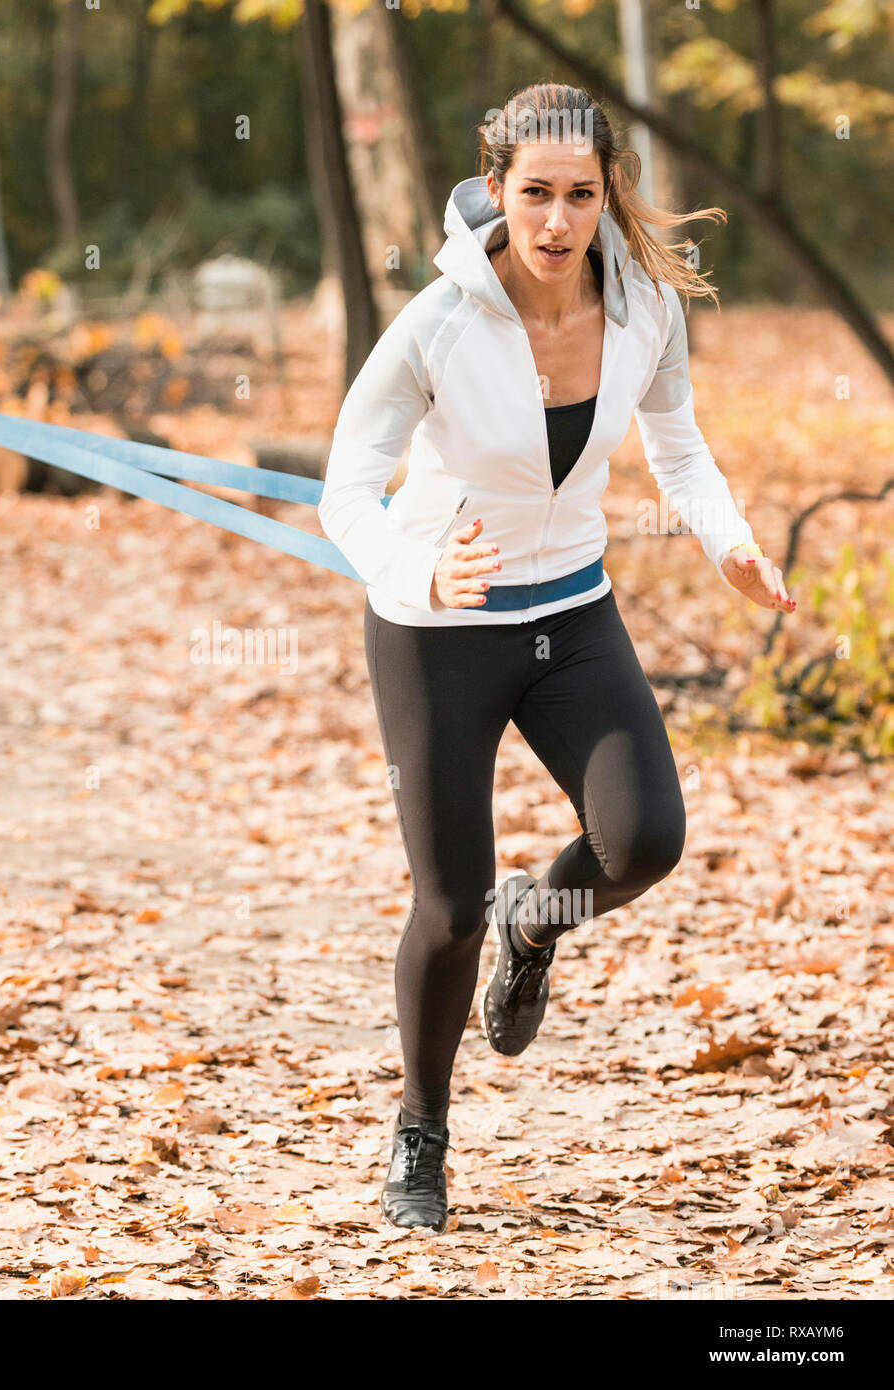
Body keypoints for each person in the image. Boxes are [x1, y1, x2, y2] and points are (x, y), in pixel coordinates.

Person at [317, 83, 797, 1233]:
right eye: (534, 193)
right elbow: (346, 487)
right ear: (494, 191)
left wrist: (727, 540)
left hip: (571, 611)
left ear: (606, 193)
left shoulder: (643, 311)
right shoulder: (435, 323)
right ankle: (420, 1135)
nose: (556, 219)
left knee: (644, 839)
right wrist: (413, 573)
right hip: (440, 627)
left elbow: (680, 454)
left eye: (581, 194)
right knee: (445, 904)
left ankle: (538, 919)